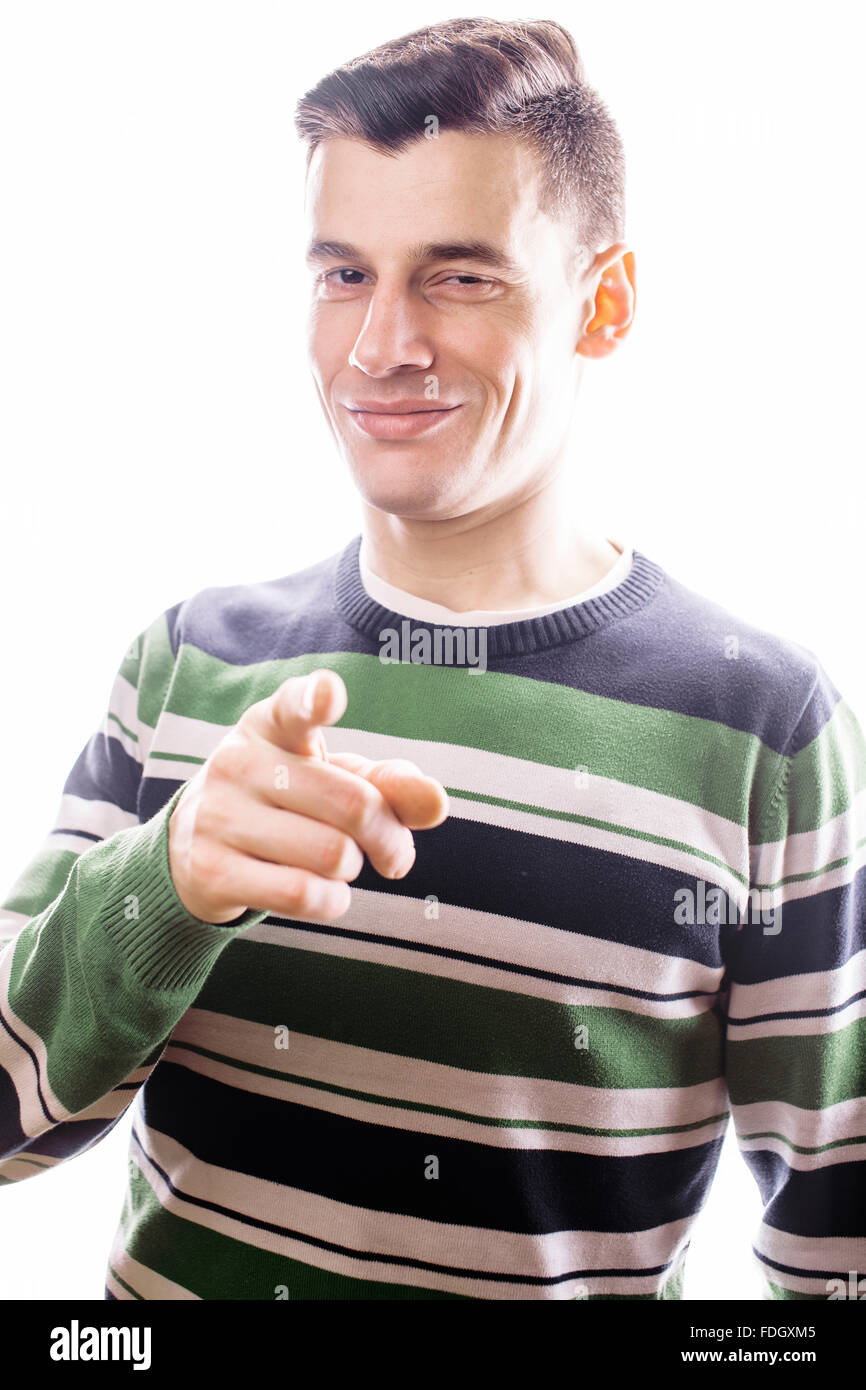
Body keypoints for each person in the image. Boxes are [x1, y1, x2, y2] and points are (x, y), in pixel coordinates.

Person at [1, 16, 863, 1301]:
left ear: (602, 301)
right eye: (343, 274)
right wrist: (168, 881)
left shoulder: (761, 723)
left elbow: (834, 1247)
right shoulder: (185, 665)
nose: (379, 347)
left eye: (458, 277)